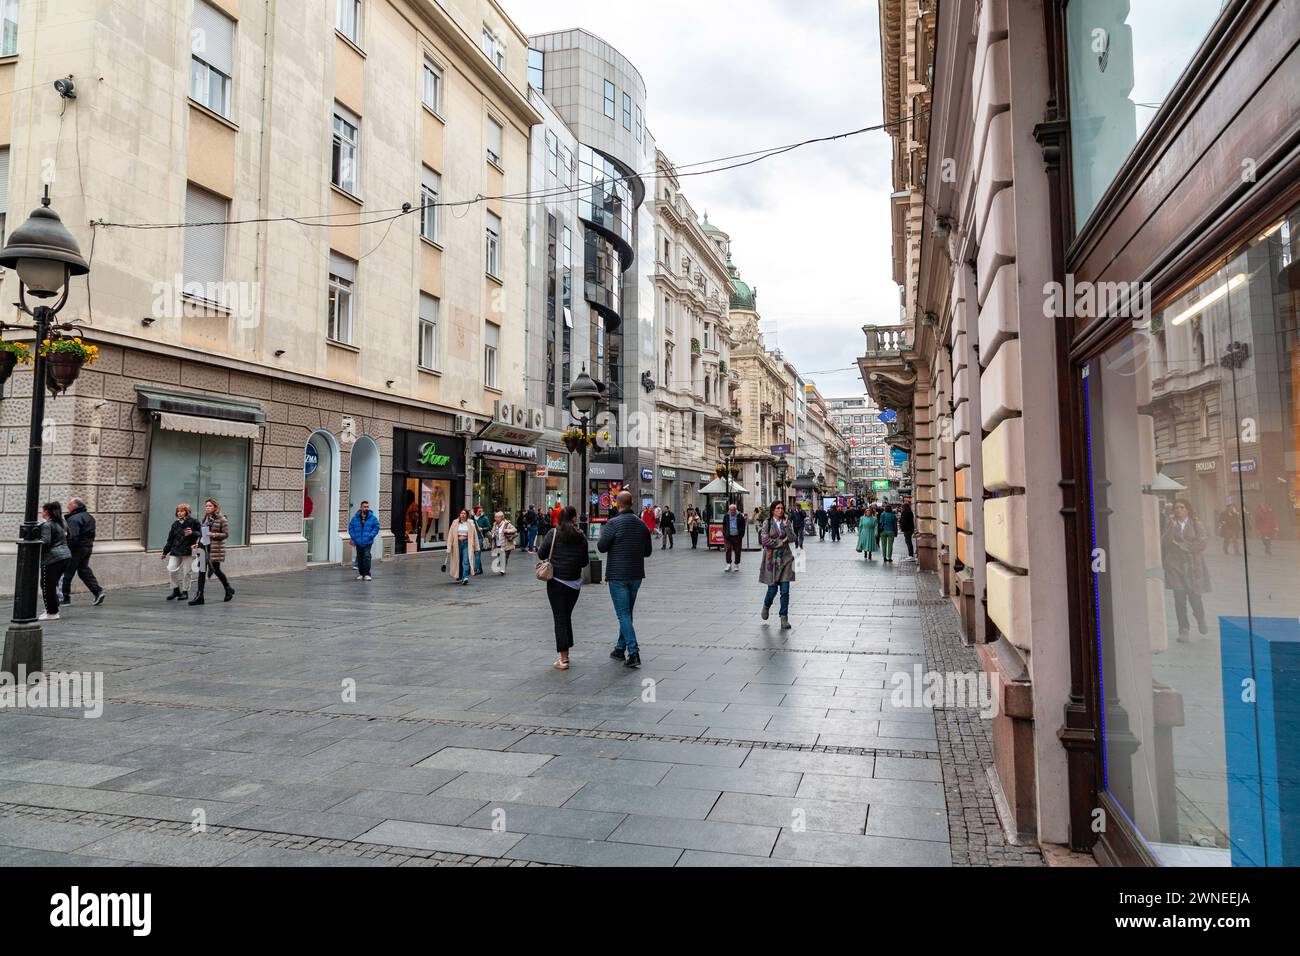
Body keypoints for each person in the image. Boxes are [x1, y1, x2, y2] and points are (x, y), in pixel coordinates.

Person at [598, 490, 653, 669]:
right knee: (627, 613)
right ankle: (620, 648)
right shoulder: (642, 524)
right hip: (636, 574)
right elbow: (648, 552)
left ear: (618, 504)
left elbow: (601, 546)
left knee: (623, 614)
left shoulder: (613, 523)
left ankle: (633, 651)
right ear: (632, 503)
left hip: (617, 574)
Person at [537, 505, 589, 670]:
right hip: (574, 584)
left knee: (559, 618)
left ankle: (563, 659)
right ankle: (567, 650)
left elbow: (541, 554)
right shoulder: (581, 536)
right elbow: (584, 562)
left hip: (557, 582)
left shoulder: (553, 533)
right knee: (566, 616)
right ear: (574, 519)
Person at [1162, 499, 1210, 643]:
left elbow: (1203, 542)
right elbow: (1164, 542)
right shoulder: (1171, 524)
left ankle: (1200, 617)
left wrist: (1187, 548)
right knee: (1179, 599)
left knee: (1195, 598)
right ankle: (1184, 629)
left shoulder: (1196, 524)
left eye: (1182, 507)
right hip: (1175, 566)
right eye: (1176, 508)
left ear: (1187, 509)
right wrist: (1171, 528)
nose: (1178, 510)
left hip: (1192, 565)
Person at [61, 496, 105, 607]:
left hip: (76, 549)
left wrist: (67, 548)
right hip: (87, 547)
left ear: (74, 506)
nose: (67, 506)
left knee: (67, 572)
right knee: (84, 571)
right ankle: (98, 591)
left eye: (69, 504)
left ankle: (65, 598)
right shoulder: (89, 517)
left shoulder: (74, 519)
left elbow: (73, 536)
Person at [758, 500, 796, 630]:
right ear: (773, 510)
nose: (780, 510)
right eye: (778, 508)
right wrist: (781, 542)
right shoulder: (767, 523)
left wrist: (786, 526)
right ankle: (766, 605)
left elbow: (792, 538)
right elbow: (765, 540)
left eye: (782, 508)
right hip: (771, 560)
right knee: (772, 590)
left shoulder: (787, 522)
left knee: (785, 591)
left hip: (785, 559)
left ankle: (783, 618)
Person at [191, 498, 234, 605]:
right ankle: (200, 596)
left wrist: (214, 534)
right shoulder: (205, 518)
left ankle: (227, 588)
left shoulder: (222, 519)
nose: (207, 508)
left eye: (210, 506)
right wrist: (198, 542)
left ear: (215, 507)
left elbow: (226, 534)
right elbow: (202, 533)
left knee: (216, 570)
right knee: (201, 571)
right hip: (202, 547)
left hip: (213, 548)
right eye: (206, 506)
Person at [38, 501, 72, 621]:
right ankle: (53, 608)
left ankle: (52, 612)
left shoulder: (47, 525)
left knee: (47, 585)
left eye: (42, 510)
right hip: (65, 556)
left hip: (52, 558)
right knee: (53, 584)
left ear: (47, 511)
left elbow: (45, 542)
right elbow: (69, 537)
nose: (41, 512)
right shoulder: (62, 522)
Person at [161, 503, 202, 601]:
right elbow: (170, 539)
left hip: (189, 550)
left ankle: (185, 592)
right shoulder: (175, 524)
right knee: (171, 569)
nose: (179, 513)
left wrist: (192, 533)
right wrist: (165, 552)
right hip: (175, 550)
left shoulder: (194, 522)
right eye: (178, 511)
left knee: (187, 572)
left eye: (182, 511)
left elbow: (201, 533)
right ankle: (176, 590)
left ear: (187, 512)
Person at [348, 500, 380, 581]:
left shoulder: (372, 518)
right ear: (361, 507)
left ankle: (367, 574)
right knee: (359, 557)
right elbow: (351, 527)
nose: (366, 508)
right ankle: (361, 574)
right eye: (365, 507)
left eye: (367, 507)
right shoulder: (355, 518)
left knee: (366, 556)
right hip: (358, 541)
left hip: (367, 541)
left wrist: (371, 535)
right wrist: (354, 536)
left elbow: (376, 527)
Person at [447, 508, 479, 585]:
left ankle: (465, 577)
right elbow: (450, 535)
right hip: (457, 544)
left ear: (467, 515)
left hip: (467, 543)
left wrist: (476, 547)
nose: (463, 515)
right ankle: (460, 576)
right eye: (461, 513)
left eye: (464, 513)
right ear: (459, 514)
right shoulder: (455, 522)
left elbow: (474, 535)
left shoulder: (471, 523)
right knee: (458, 560)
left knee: (466, 560)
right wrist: (449, 547)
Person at [721, 502, 746, 572]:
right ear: (729, 510)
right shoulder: (726, 516)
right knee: (728, 549)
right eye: (731, 510)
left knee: (737, 550)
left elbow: (743, 526)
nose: (732, 511)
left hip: (737, 536)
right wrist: (725, 534)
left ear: (736, 510)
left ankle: (736, 564)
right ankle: (728, 564)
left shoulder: (740, 516)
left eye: (733, 510)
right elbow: (724, 525)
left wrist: (741, 534)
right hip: (728, 536)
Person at [472, 504, 491, 575]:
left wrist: (483, 529)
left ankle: (475, 569)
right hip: (473, 538)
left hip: (480, 538)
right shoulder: (472, 518)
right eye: (479, 511)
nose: (481, 512)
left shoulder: (484, 518)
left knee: (477, 553)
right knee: (476, 554)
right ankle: (480, 569)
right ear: (475, 511)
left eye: (481, 511)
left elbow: (489, 527)